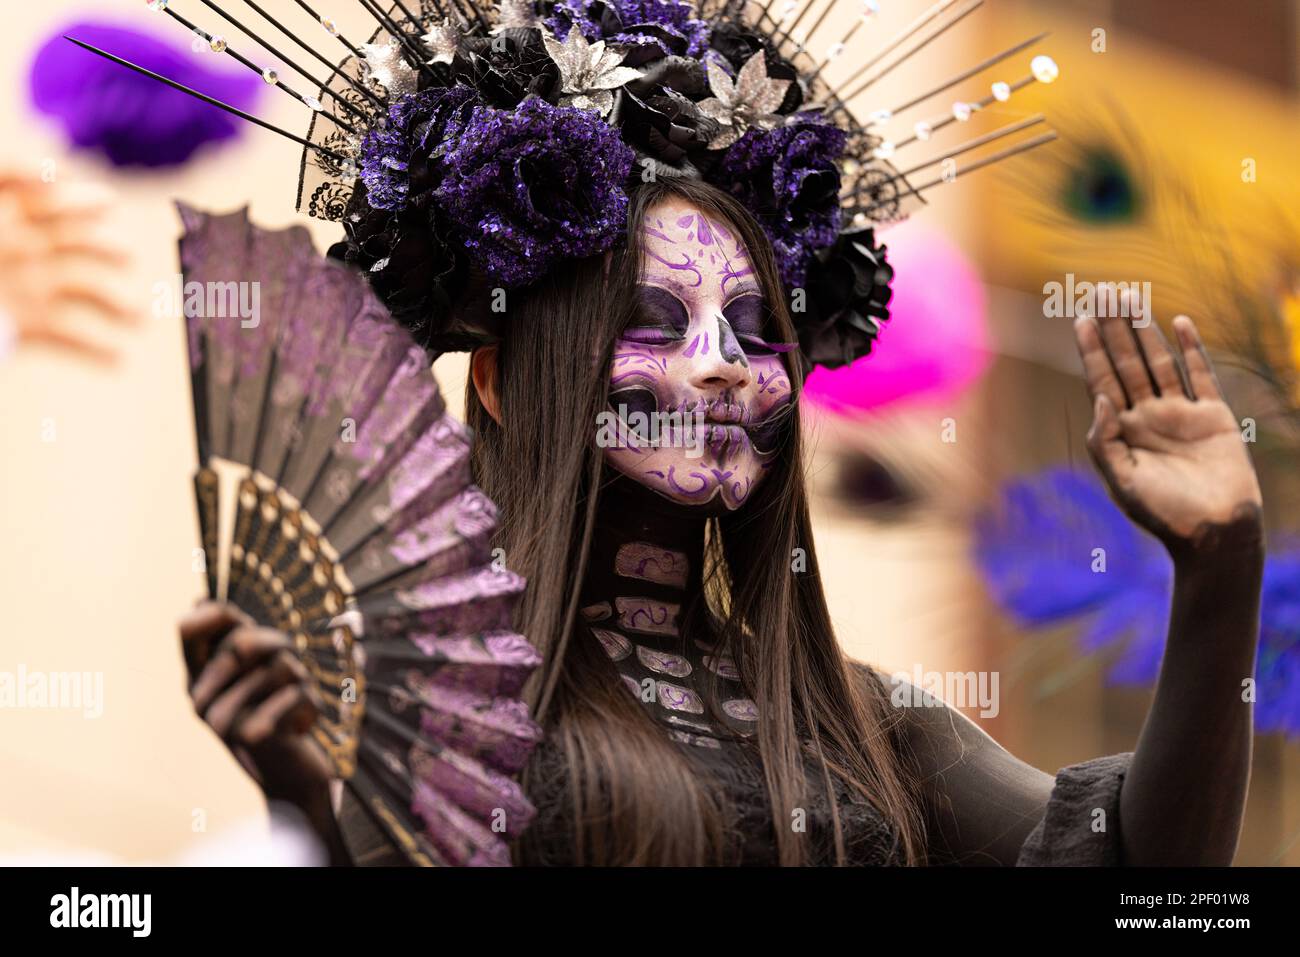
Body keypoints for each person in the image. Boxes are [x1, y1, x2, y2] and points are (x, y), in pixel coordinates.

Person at [180, 170, 1263, 866]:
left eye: (753, 333)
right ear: (505, 382)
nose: (721, 370)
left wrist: (1218, 573)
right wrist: (302, 802)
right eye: (656, 324)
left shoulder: (858, 727)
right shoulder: (425, 690)